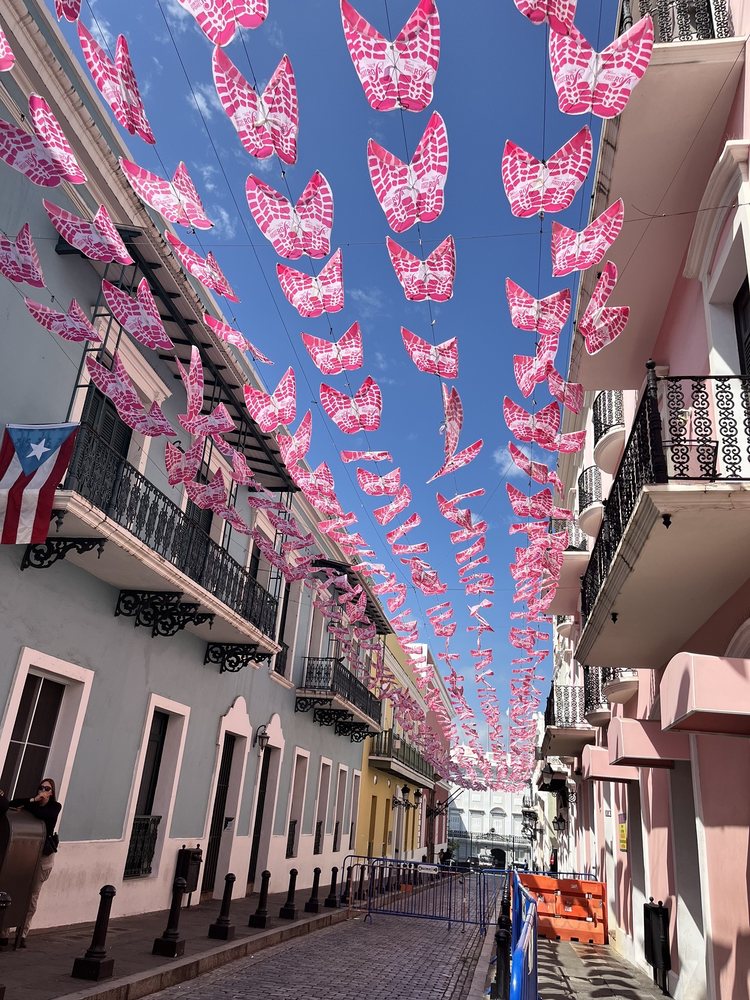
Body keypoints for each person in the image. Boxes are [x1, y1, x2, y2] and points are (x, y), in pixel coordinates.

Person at [10, 778, 61, 947]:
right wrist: (32, 801)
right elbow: (12, 803)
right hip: (26, 852)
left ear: (51, 792)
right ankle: (4, 932)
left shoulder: (55, 807)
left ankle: (22, 934)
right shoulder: (32, 803)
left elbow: (45, 815)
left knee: (32, 895)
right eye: (40, 787)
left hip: (44, 856)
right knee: (13, 890)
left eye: (46, 788)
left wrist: (32, 806)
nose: (42, 790)